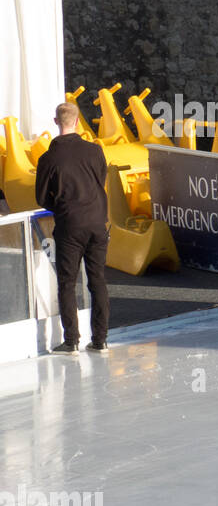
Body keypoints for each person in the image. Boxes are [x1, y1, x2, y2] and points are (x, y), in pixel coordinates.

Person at [34, 102, 110, 352]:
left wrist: (61, 205)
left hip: (70, 224)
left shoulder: (48, 158)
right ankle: (100, 339)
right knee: (97, 281)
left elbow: (42, 197)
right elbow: (101, 179)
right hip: (98, 222)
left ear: (56, 122)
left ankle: (72, 340)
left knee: (67, 283)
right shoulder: (95, 151)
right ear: (77, 121)